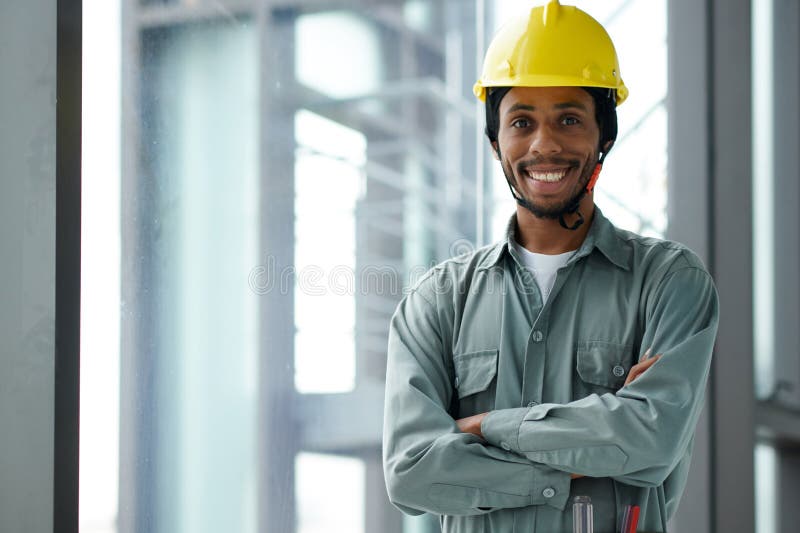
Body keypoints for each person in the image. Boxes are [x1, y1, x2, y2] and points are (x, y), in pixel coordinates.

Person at [382, 1, 719, 532]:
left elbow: (652, 439)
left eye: (569, 119)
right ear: (495, 141)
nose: (545, 144)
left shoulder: (669, 283)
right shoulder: (438, 301)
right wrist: (595, 443)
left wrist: (484, 427)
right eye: (522, 122)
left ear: (604, 135)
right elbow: (411, 474)